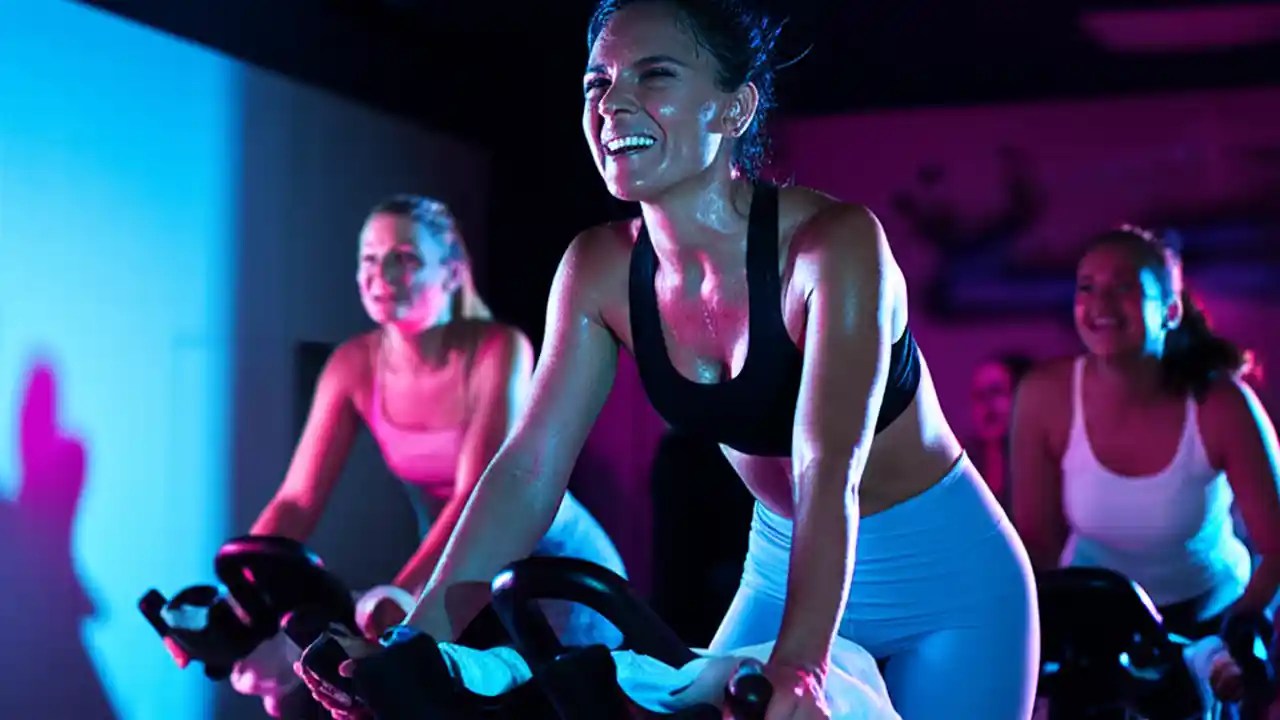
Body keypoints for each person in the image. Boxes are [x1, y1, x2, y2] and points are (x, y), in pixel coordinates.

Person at [302, 4, 1039, 719]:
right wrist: (414, 644)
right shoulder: (597, 269)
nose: (612, 103)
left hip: (947, 582)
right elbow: (528, 472)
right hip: (783, 563)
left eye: (653, 76)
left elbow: (826, 469)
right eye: (597, 83)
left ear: (735, 108)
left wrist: (801, 665)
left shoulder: (834, 247)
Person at [249, 194, 626, 643]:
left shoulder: (498, 349)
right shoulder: (351, 365)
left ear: (450, 272)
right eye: (369, 259)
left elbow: (474, 496)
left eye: (404, 258)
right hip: (453, 572)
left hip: (554, 571)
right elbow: (297, 501)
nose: (381, 275)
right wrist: (243, 591)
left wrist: (400, 596)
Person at [1011, 224, 1280, 643]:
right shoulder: (1044, 395)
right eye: (1086, 287)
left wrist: (1235, 637)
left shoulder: (1221, 403)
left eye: (1123, 288)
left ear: (1170, 311)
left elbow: (1277, 550)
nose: (1100, 303)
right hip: (1095, 619)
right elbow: (1037, 545)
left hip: (1213, 617)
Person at [969, 352, 1033, 513]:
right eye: (979, 395)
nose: (986, 405)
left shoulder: (1048, 464)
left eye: (996, 392)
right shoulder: (963, 463)